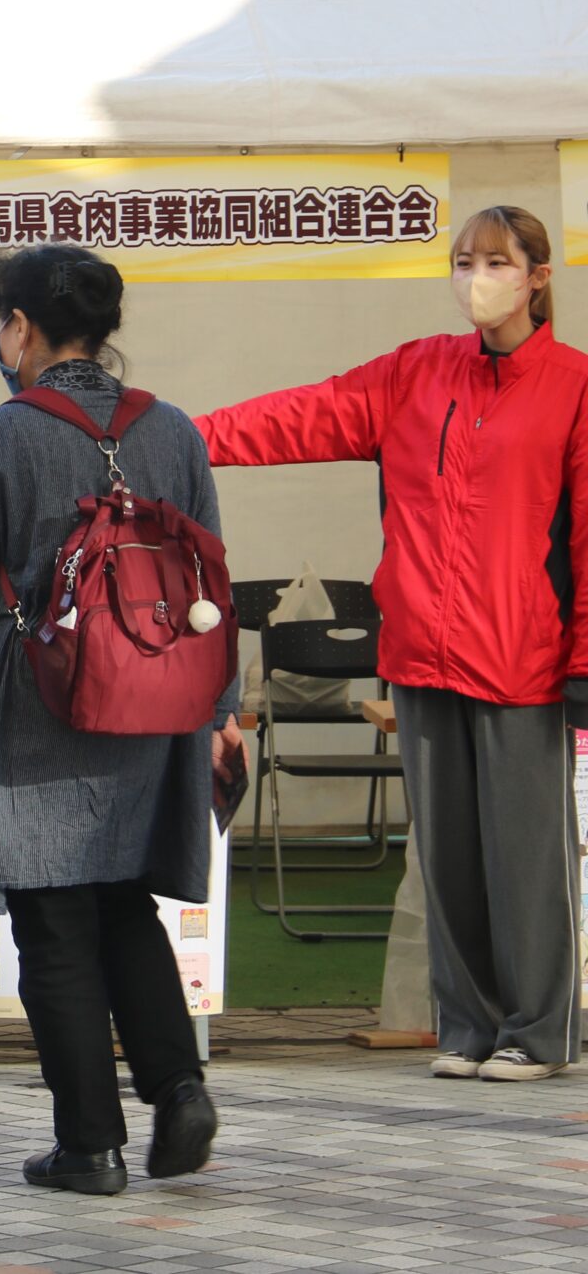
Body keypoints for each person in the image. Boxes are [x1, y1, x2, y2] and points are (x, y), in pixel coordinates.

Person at [197, 205, 588, 1084]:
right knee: (445, 854)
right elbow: (301, 415)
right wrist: (181, 437)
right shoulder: (417, 372)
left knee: (528, 856)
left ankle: (540, 1029)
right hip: (422, 652)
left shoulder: (574, 385)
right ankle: (470, 1025)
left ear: (539, 275)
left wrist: (585, 660)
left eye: (495, 261)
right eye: (462, 260)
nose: (475, 277)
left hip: (521, 656)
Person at [0, 244, 234, 1196]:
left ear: (26, 330)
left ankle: (90, 1145)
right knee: (122, 900)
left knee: (52, 920)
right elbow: (211, 582)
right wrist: (225, 710)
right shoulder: (172, 432)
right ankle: (176, 1085)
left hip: (39, 702)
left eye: (0, 323)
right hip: (159, 702)